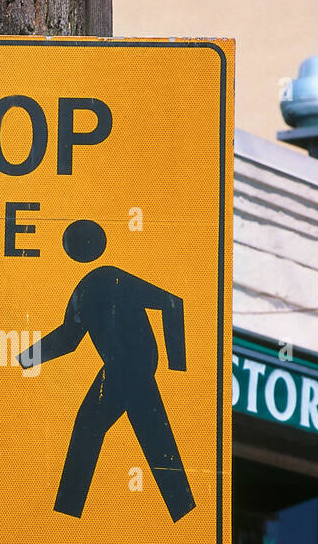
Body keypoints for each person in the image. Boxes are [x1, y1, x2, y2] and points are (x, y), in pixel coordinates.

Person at [18, 218, 195, 523]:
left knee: (91, 426)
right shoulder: (85, 290)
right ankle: (183, 511)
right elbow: (68, 338)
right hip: (124, 368)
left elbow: (171, 303)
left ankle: (67, 512)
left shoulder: (110, 278)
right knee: (152, 436)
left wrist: (177, 364)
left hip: (131, 366)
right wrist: (24, 358)